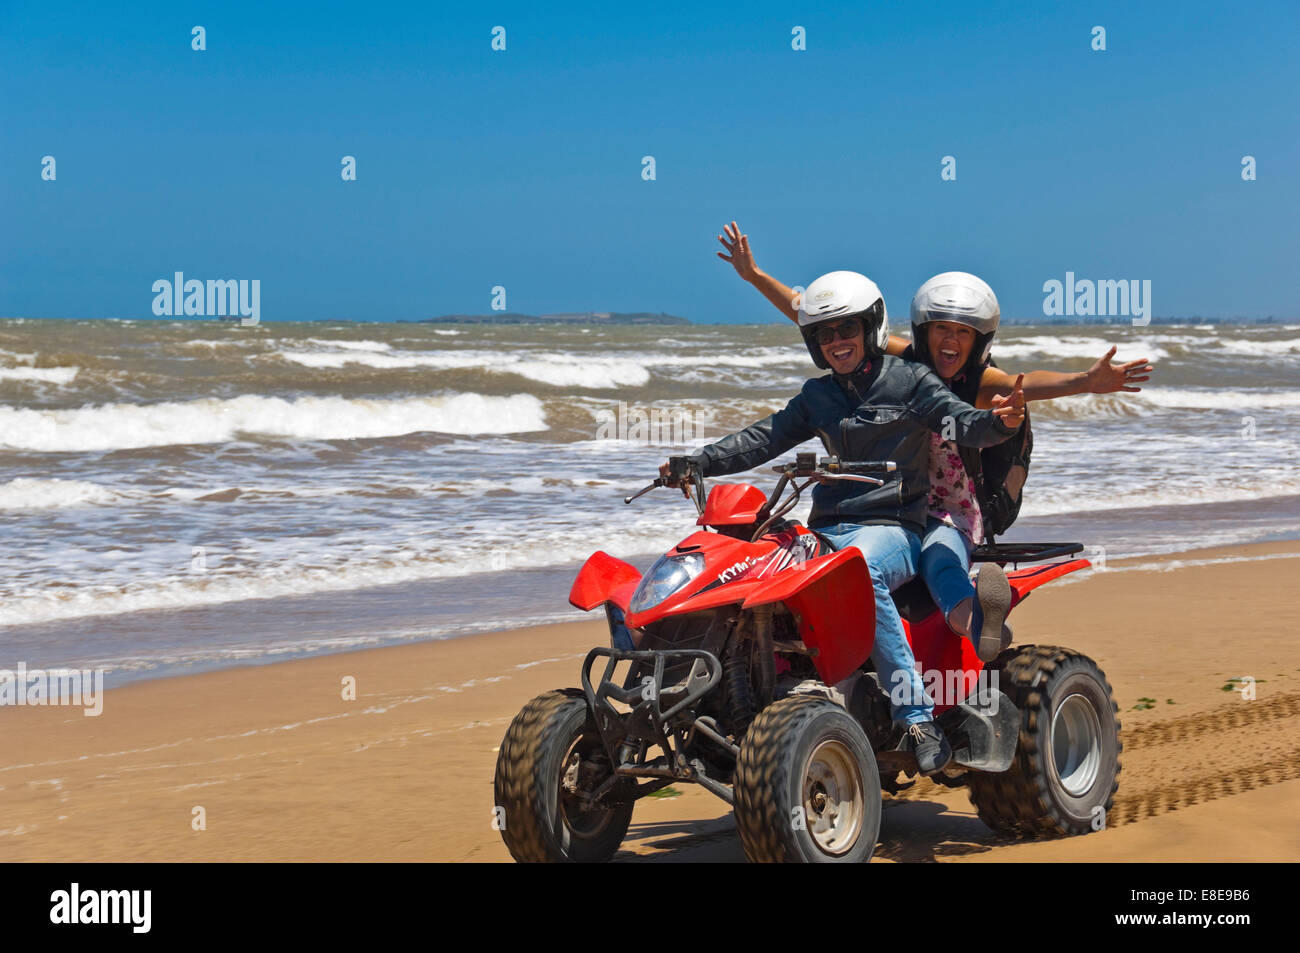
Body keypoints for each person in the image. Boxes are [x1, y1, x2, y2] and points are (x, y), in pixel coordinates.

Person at [716, 221, 1153, 660]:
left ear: (977, 341)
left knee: (939, 559)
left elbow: (1028, 383)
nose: (950, 339)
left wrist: (1085, 381)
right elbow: (812, 314)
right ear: (924, 332)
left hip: (946, 511)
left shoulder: (980, 383)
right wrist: (754, 276)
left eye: (962, 332)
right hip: (882, 503)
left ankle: (978, 622)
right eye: (941, 328)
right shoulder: (900, 365)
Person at [662, 270, 1025, 775]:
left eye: (847, 329)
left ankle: (918, 718)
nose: (837, 342)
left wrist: (997, 423)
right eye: (825, 334)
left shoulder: (910, 381)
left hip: (895, 528)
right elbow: (765, 436)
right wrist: (700, 460)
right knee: (749, 570)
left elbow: (958, 420)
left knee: (857, 568)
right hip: (826, 526)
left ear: (870, 328)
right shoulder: (819, 397)